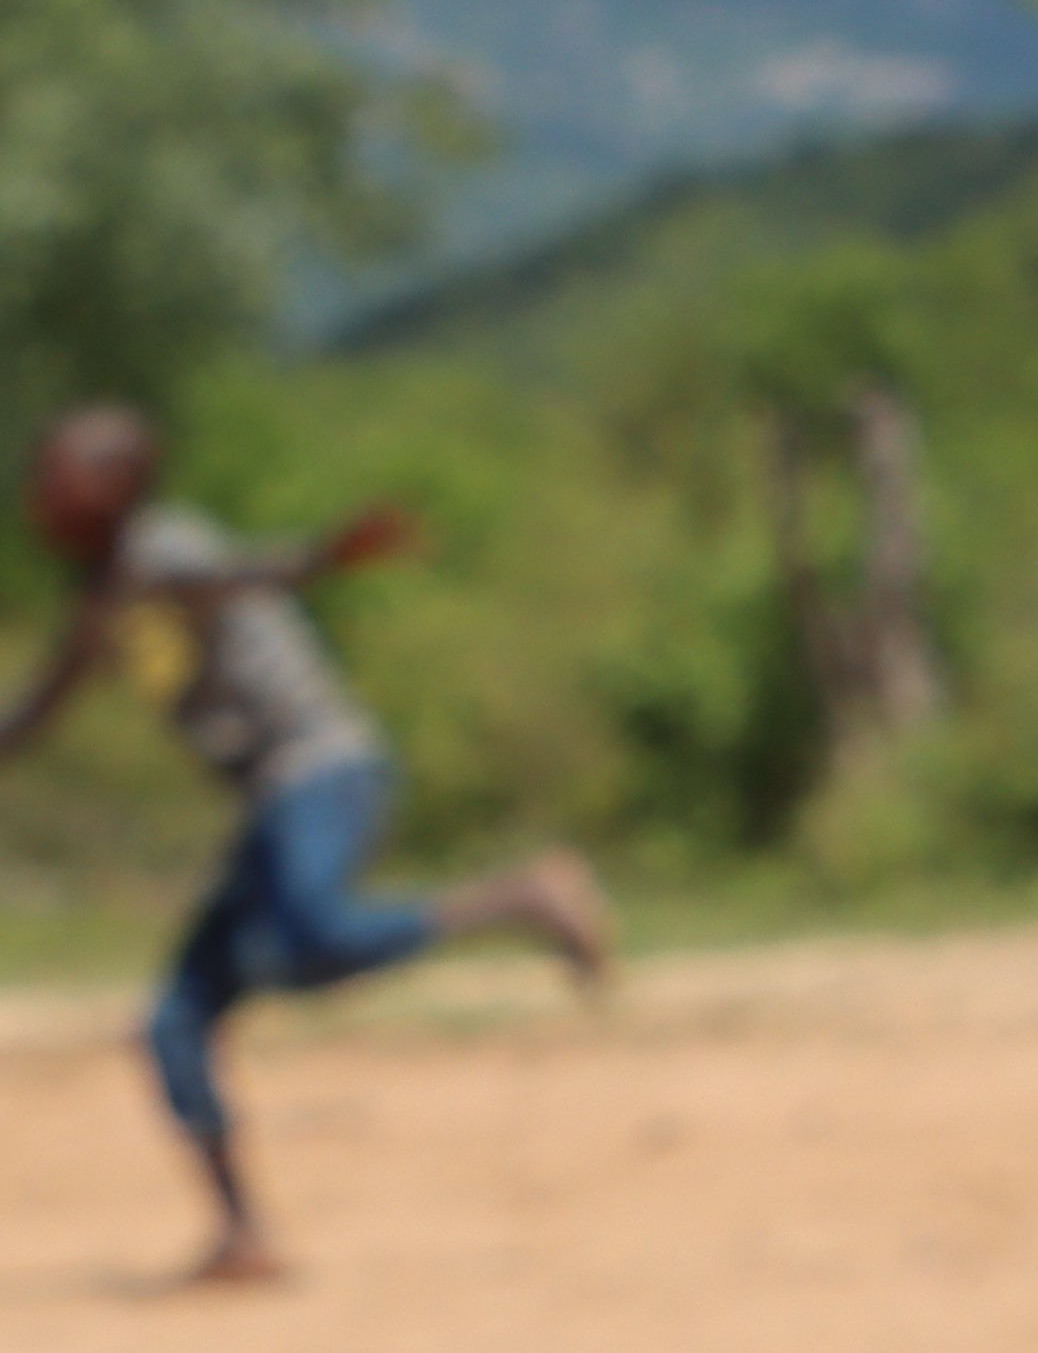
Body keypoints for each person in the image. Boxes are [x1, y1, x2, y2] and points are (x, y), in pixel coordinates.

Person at [0, 401, 611, 1285]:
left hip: (322, 768)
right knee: (176, 1020)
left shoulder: (164, 549)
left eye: (57, 478)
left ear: (114, 485)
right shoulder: (103, 595)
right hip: (271, 799)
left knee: (310, 937)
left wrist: (324, 556)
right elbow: (39, 708)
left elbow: (239, 573)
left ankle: (520, 896)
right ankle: (242, 1236)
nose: (37, 496)